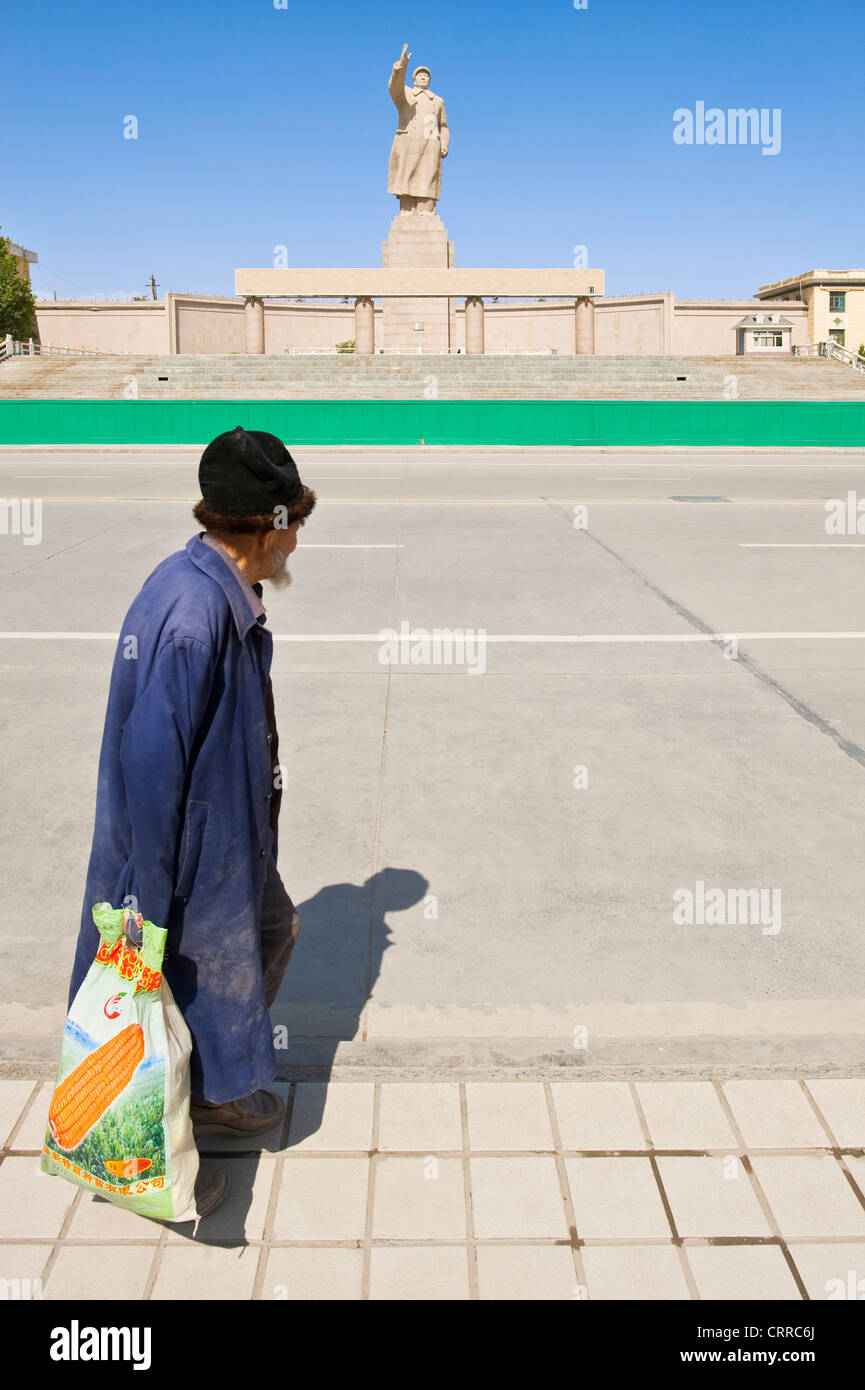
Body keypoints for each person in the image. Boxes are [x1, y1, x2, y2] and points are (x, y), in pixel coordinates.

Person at [67, 426, 317, 1215]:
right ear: (272, 525)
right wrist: (149, 888)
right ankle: (147, 1146)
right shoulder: (192, 613)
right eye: (297, 524)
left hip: (224, 834)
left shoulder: (207, 585)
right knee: (168, 986)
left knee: (272, 932)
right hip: (180, 846)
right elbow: (151, 759)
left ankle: (211, 1095)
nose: (298, 542)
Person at [387, 43, 449, 213]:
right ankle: (407, 211)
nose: (423, 77)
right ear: (413, 79)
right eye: (420, 75)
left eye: (426, 75)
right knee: (406, 177)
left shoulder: (437, 100)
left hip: (430, 145)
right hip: (409, 143)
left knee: (428, 178)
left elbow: (443, 126)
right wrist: (403, 64)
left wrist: (444, 144)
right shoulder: (406, 94)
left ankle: (427, 211)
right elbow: (394, 86)